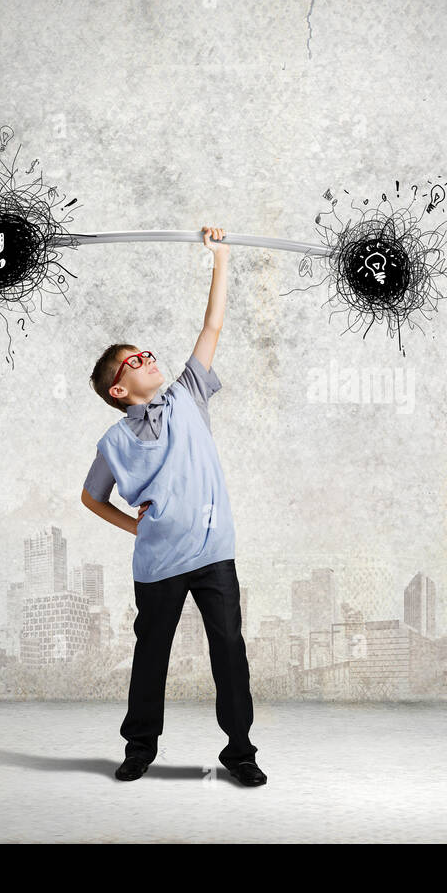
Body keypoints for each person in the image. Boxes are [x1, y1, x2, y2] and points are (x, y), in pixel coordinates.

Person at [81, 225, 265, 787]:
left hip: (214, 554)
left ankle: (239, 750)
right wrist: (132, 528)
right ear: (118, 388)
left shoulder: (188, 392)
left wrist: (221, 259)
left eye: (146, 352)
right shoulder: (114, 442)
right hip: (159, 563)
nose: (148, 358)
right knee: (151, 655)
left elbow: (213, 325)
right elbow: (91, 497)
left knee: (229, 649)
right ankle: (140, 747)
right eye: (135, 360)